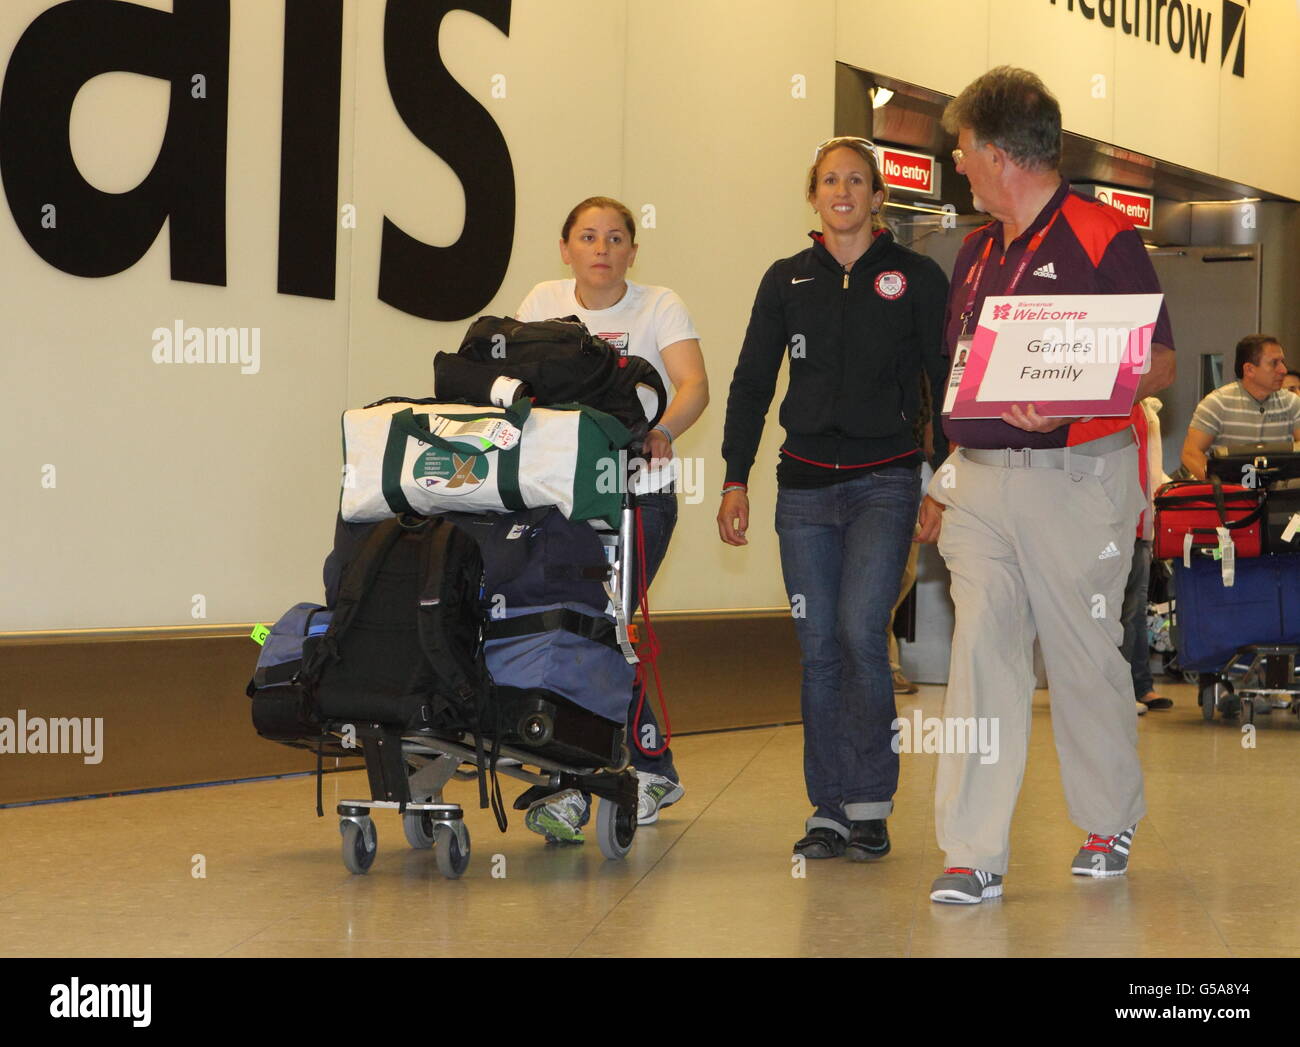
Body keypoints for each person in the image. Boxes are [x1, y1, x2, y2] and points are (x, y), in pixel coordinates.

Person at [918, 68, 1176, 905]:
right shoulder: (977, 247)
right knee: (980, 656)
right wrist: (943, 469)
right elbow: (962, 371)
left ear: (998, 153)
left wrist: (1064, 397)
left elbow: (1158, 361)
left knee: (1079, 655)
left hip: (1076, 480)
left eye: (963, 151)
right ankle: (972, 848)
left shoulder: (1104, 236)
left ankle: (1108, 818)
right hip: (982, 486)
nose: (959, 166)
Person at [718, 137, 949, 862]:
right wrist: (733, 476)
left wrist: (943, 479)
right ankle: (828, 808)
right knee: (818, 648)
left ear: (879, 196)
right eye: (829, 180)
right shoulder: (787, 280)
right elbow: (753, 382)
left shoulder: (915, 277)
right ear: (813, 197)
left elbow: (945, 381)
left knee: (857, 633)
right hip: (804, 490)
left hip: (887, 481)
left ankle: (871, 802)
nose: (843, 190)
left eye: (857, 180)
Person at [514, 196, 709, 842]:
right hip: (558, 497)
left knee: (603, 621)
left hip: (636, 495)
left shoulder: (659, 306)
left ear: (632, 250)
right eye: (588, 236)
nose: (602, 248)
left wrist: (662, 431)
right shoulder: (542, 301)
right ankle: (583, 772)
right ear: (566, 247)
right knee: (574, 622)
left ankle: (624, 768)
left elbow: (693, 385)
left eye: (616, 237)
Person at [1180, 336, 1300, 480]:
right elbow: (1191, 452)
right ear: (1249, 369)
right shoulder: (1217, 403)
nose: (1283, 370)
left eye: (1282, 362)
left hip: (1278, 495)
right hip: (1231, 496)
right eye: (1274, 363)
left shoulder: (1292, 403)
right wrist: (1221, 486)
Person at [1124, 397, 1172, 716]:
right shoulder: (1112, 406)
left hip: (1141, 522)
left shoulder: (1147, 411)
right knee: (1115, 609)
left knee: (1135, 610)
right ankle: (1119, 687)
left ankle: (1140, 685)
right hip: (1111, 521)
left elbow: (1152, 470)